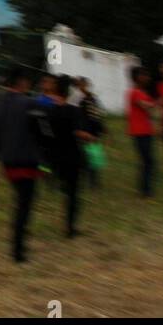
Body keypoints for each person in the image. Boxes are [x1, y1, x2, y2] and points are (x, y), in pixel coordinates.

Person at [0, 66, 47, 263]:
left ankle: (19, 247)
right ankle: (18, 251)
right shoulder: (30, 103)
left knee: (21, 202)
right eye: (27, 81)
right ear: (21, 82)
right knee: (24, 205)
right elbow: (43, 133)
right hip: (27, 162)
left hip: (8, 163)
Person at [45, 76, 92, 238]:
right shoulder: (73, 111)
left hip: (55, 157)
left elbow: (43, 135)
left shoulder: (48, 112)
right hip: (72, 156)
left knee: (65, 190)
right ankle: (70, 228)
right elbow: (79, 133)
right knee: (73, 195)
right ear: (68, 92)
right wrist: (89, 136)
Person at [126, 66, 158, 198]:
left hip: (146, 130)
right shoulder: (134, 92)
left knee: (148, 161)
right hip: (139, 132)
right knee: (147, 161)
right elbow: (146, 106)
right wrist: (157, 103)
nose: (147, 78)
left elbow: (151, 108)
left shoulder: (143, 92)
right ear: (137, 77)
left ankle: (146, 188)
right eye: (143, 75)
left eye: (147, 75)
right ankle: (145, 190)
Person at [74, 77, 107, 188]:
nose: (82, 87)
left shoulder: (92, 98)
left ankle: (93, 182)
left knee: (94, 156)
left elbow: (96, 114)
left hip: (93, 130)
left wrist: (101, 127)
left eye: (84, 84)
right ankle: (84, 180)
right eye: (80, 85)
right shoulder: (76, 99)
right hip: (83, 130)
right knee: (85, 156)